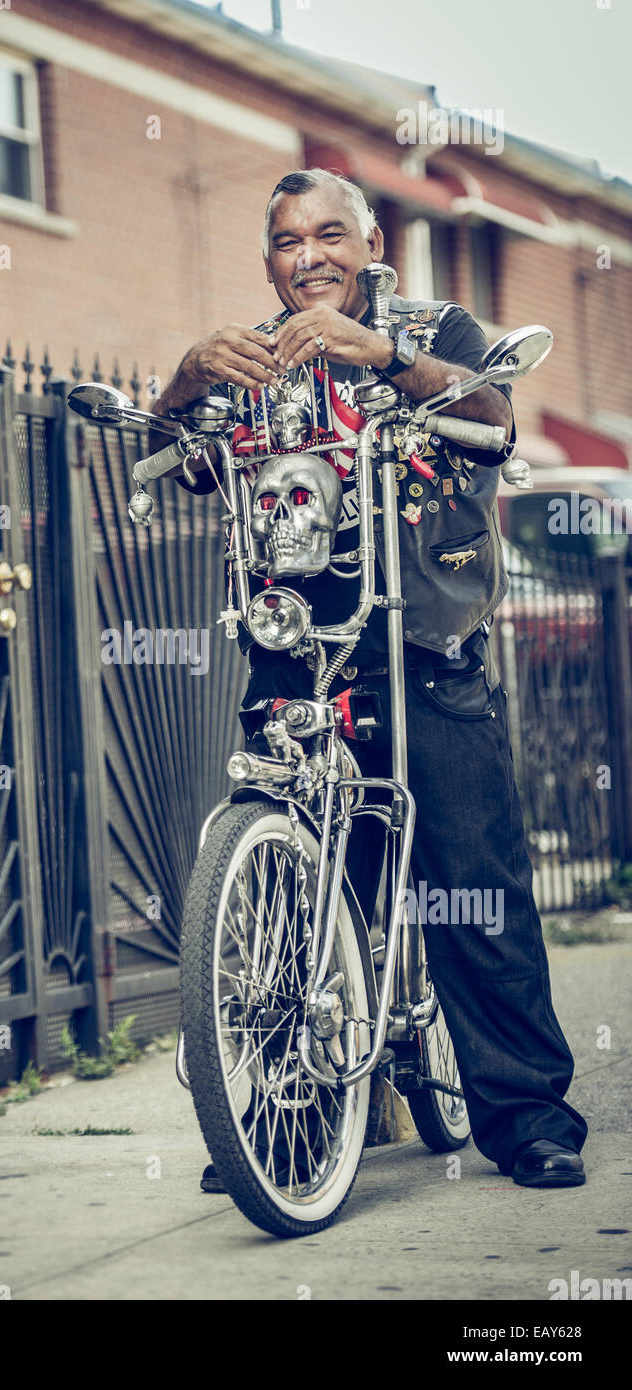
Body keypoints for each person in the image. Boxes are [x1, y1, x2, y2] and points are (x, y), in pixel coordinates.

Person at [152, 168, 588, 1192]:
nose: (311, 257)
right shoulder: (251, 361)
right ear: (271, 259)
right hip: (294, 650)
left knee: (472, 888)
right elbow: (174, 462)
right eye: (290, 241)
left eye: (331, 234)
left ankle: (524, 1116)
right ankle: (278, 1117)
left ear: (371, 239)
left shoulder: (438, 326)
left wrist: (385, 356)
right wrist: (182, 381)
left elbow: (495, 422)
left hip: (423, 646)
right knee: (294, 899)